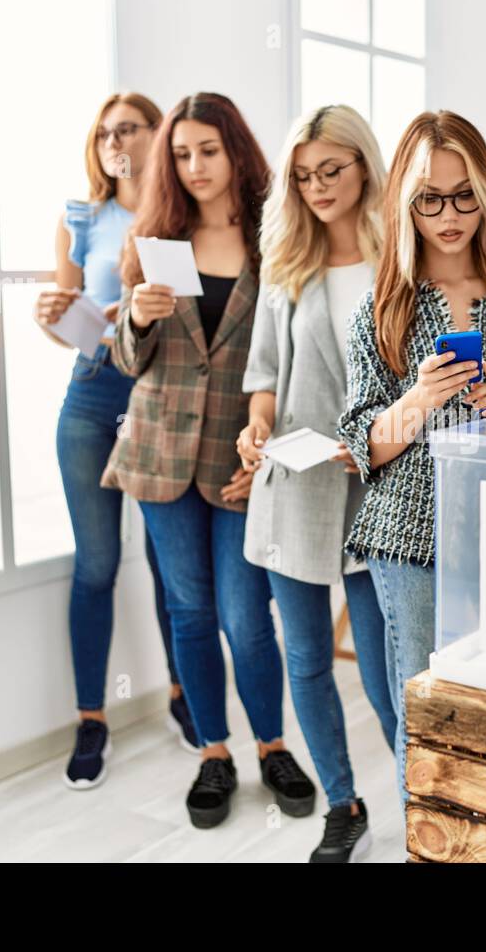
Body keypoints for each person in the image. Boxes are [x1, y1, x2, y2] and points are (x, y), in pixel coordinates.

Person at [337, 110, 486, 801]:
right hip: (408, 540)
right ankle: (435, 831)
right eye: (430, 199)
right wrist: (417, 399)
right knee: (426, 702)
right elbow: (361, 444)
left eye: (465, 196)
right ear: (405, 205)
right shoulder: (382, 306)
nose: (449, 215)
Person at [101, 92, 316, 829]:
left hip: (240, 458)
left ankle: (274, 745)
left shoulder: (276, 239)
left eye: (209, 151)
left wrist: (267, 451)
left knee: (246, 616)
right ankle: (214, 753)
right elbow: (129, 362)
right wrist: (134, 319)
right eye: (183, 154)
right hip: (161, 456)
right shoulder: (154, 237)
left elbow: (287, 363)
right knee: (189, 613)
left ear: (236, 153)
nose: (195, 167)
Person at [237, 104, 396, 862]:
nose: (318, 186)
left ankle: (424, 800)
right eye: (302, 176)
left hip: (378, 484)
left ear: (365, 164)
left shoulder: (400, 254)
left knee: (386, 667)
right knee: (304, 659)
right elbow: (265, 373)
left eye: (332, 169)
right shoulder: (287, 263)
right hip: (297, 482)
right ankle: (344, 803)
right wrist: (257, 424)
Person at [31, 92, 193, 791]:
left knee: (169, 563)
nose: (114, 141)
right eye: (103, 132)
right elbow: (71, 320)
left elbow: (190, 327)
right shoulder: (80, 218)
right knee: (95, 564)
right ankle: (91, 719)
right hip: (91, 396)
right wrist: (50, 315)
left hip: (157, 398)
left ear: (157, 137)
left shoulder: (178, 221)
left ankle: (187, 698)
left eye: (128, 129)